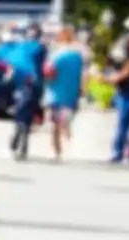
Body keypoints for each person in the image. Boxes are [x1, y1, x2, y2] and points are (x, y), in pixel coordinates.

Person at [43, 25, 85, 161]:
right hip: (64, 90)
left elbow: (49, 70)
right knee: (58, 120)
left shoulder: (60, 52)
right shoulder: (76, 52)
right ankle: (58, 146)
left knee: (57, 120)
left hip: (60, 89)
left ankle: (58, 146)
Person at [6, 24, 47, 160]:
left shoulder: (21, 46)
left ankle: (19, 138)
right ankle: (22, 143)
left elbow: (11, 64)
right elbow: (42, 66)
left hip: (22, 83)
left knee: (20, 111)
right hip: (34, 83)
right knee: (28, 113)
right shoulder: (40, 48)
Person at [109, 29, 129, 163]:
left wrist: (110, 79)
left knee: (124, 125)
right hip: (125, 91)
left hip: (127, 92)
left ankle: (121, 153)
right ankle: (118, 153)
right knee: (123, 125)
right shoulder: (123, 51)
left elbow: (126, 71)